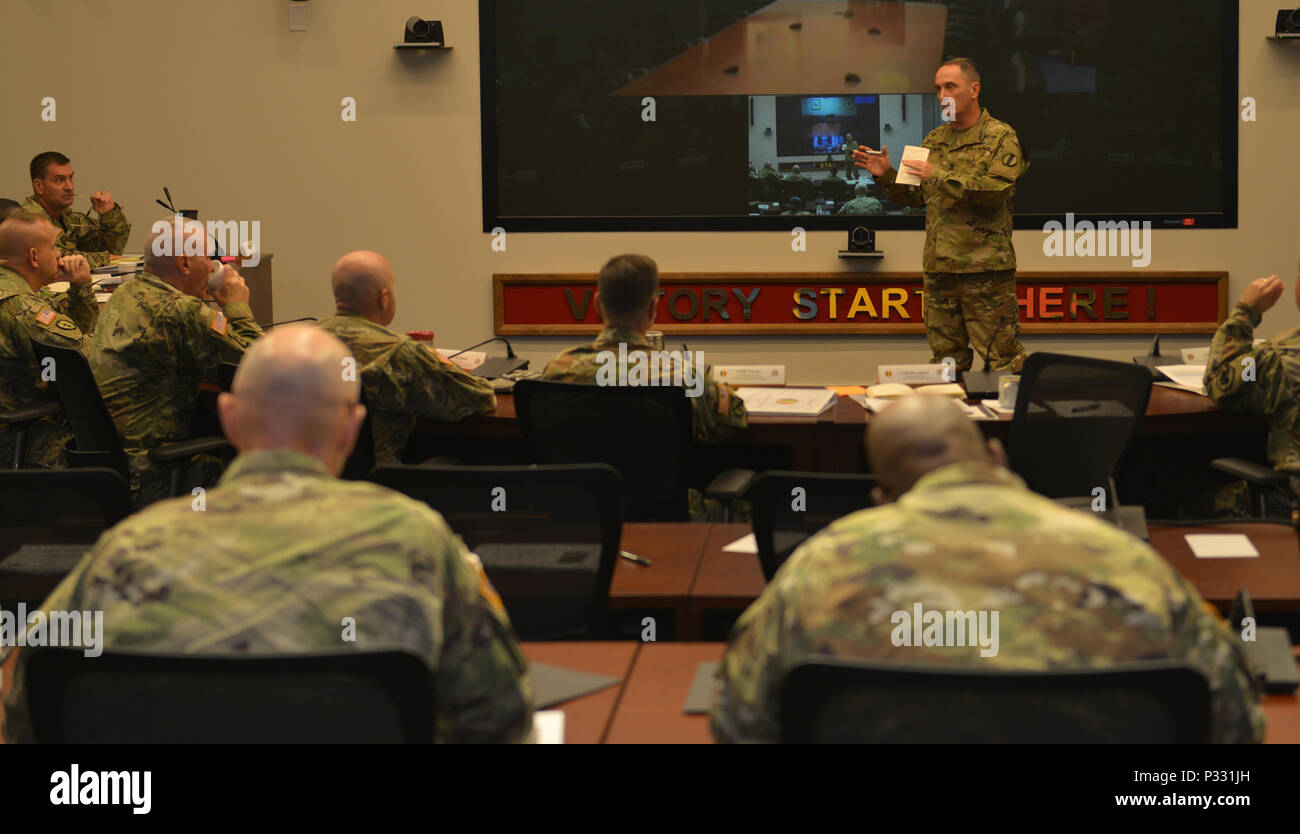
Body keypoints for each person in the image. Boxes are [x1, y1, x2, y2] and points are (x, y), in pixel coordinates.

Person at [0, 325, 533, 744]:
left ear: (229, 419)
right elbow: (500, 717)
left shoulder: (126, 548)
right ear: (351, 428)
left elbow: (29, 707)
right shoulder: (417, 537)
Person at [712, 396, 1265, 743]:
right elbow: (1235, 731)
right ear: (996, 456)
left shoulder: (821, 568)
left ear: (883, 498)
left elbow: (740, 724)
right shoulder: (1128, 561)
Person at [854, 58, 1029, 374]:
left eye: (951, 86)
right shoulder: (933, 140)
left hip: (984, 270)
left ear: (974, 90)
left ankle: (1004, 423)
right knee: (946, 364)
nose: (942, 95)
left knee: (1002, 361)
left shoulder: (1001, 136)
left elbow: (996, 192)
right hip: (939, 270)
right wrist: (885, 174)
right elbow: (914, 197)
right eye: (937, 88)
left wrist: (938, 174)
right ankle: (950, 422)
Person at [87, 216, 262, 506]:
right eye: (207, 258)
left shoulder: (125, 293)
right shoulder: (182, 311)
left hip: (119, 463)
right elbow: (262, 367)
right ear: (184, 263)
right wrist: (237, 306)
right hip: (156, 472)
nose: (211, 266)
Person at [316, 251, 497, 464]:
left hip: (304, 483)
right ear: (383, 298)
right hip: (379, 487)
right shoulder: (399, 352)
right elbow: (480, 398)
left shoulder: (298, 346)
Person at [543, 254, 747, 444]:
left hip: (579, 483)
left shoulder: (559, 369)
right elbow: (735, 416)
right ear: (653, 309)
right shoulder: (684, 376)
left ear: (597, 304)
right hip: (660, 483)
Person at [0, 212, 97, 467]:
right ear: (33, 256)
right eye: (53, 247)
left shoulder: (18, 291)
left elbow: (69, 331)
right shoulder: (21, 306)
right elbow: (86, 358)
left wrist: (80, 287)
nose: (58, 254)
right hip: (20, 438)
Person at [1202, 270, 1300, 506]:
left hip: (1291, 503)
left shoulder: (1281, 355)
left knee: (1181, 503)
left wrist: (1245, 311)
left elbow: (1220, 382)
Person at [21, 152, 130, 268]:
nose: (69, 187)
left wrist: (109, 214)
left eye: (70, 178)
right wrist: (104, 258)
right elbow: (57, 259)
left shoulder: (69, 218)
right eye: (59, 180)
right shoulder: (27, 221)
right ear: (39, 186)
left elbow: (112, 249)